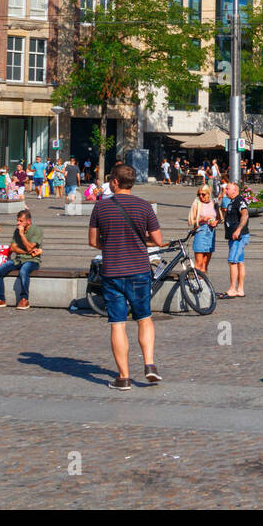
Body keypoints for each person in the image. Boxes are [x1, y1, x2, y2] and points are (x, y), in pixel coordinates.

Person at [89, 163, 164, 390]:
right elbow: (158, 241)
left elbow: (93, 242)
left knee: (118, 324)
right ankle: (149, 365)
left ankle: (123, 377)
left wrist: (109, 244)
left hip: (112, 271)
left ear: (114, 182)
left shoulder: (101, 208)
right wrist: (141, 242)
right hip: (140, 270)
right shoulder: (144, 207)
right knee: (144, 318)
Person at [0, 209, 43, 310]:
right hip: (18, 259)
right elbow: (13, 248)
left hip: (32, 261)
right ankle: (0, 299)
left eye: (21, 221)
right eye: (18, 220)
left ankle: (24, 299)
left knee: (24, 271)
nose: (18, 223)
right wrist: (27, 252)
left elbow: (30, 247)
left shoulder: (36, 230)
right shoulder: (17, 230)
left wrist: (22, 235)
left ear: (28, 221)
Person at [218, 181, 250, 299]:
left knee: (232, 262)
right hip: (236, 236)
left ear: (235, 190)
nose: (225, 190)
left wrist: (238, 230)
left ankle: (232, 289)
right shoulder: (231, 202)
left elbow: (245, 214)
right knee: (240, 262)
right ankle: (240, 289)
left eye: (227, 189)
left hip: (238, 237)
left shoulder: (239, 201)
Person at [188, 186, 218, 276]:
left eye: (203, 194)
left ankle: (204, 283)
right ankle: (197, 282)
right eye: (199, 194)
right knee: (199, 263)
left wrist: (216, 222)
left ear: (208, 194)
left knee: (205, 264)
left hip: (211, 232)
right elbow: (190, 221)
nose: (201, 196)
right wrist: (201, 219)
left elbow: (219, 218)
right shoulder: (197, 203)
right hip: (201, 231)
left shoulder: (213, 203)